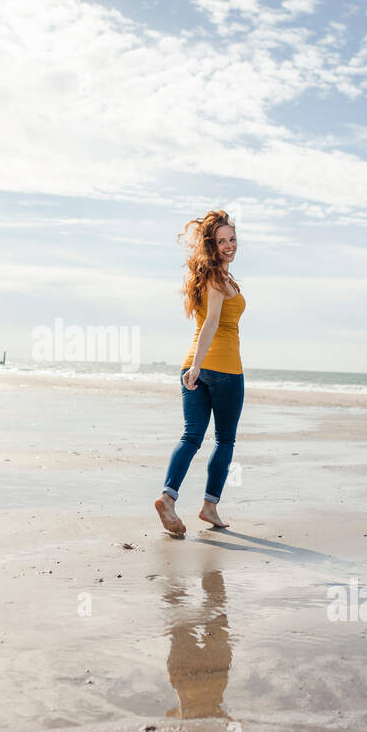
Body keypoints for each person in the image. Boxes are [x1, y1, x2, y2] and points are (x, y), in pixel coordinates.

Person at [154, 209, 245, 536]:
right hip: (222, 368)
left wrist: (193, 366)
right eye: (221, 240)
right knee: (224, 439)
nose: (229, 245)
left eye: (232, 238)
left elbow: (205, 323)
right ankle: (209, 506)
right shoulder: (218, 278)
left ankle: (168, 497)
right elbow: (211, 324)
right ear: (211, 244)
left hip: (195, 363)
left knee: (191, 436)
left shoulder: (208, 276)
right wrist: (198, 367)